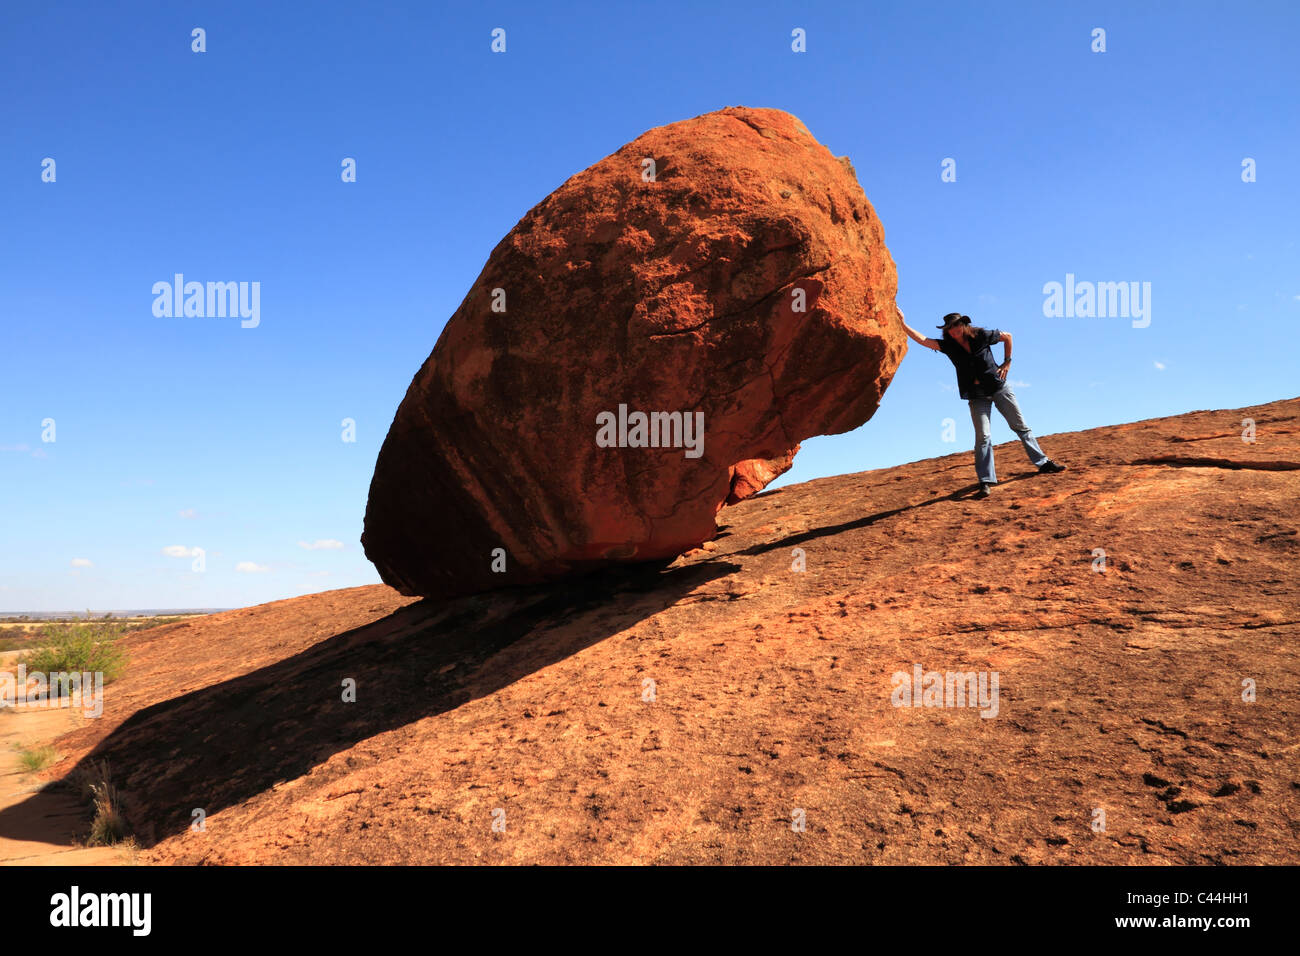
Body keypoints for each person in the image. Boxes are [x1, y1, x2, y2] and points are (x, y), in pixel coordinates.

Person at [901, 310, 1066, 498]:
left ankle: (1043, 463)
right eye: (950, 328)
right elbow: (923, 340)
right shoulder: (948, 346)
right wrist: (903, 324)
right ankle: (985, 481)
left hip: (998, 388)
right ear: (946, 331)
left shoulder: (980, 336)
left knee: (1020, 427)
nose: (954, 330)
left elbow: (1008, 336)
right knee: (983, 437)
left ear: (963, 325)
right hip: (976, 396)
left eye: (956, 326)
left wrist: (1007, 362)